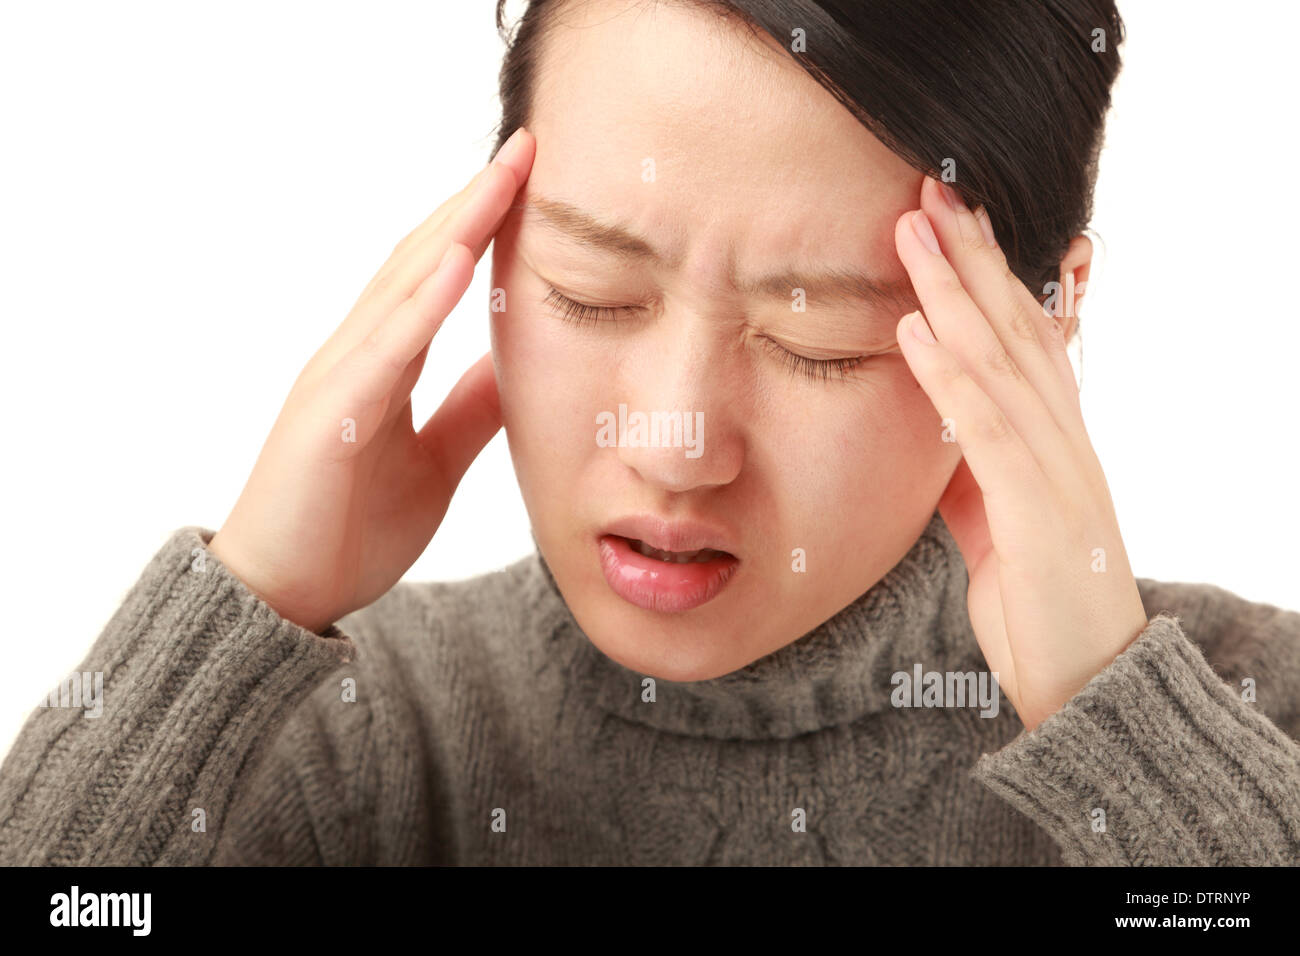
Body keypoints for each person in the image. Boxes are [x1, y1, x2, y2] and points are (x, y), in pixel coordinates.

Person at [2, 0, 1298, 866]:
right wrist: (241, 611)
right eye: (590, 291)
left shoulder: (1255, 724)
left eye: (818, 343)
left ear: (1046, 316)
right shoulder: (338, 742)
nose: (675, 444)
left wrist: (1122, 731)